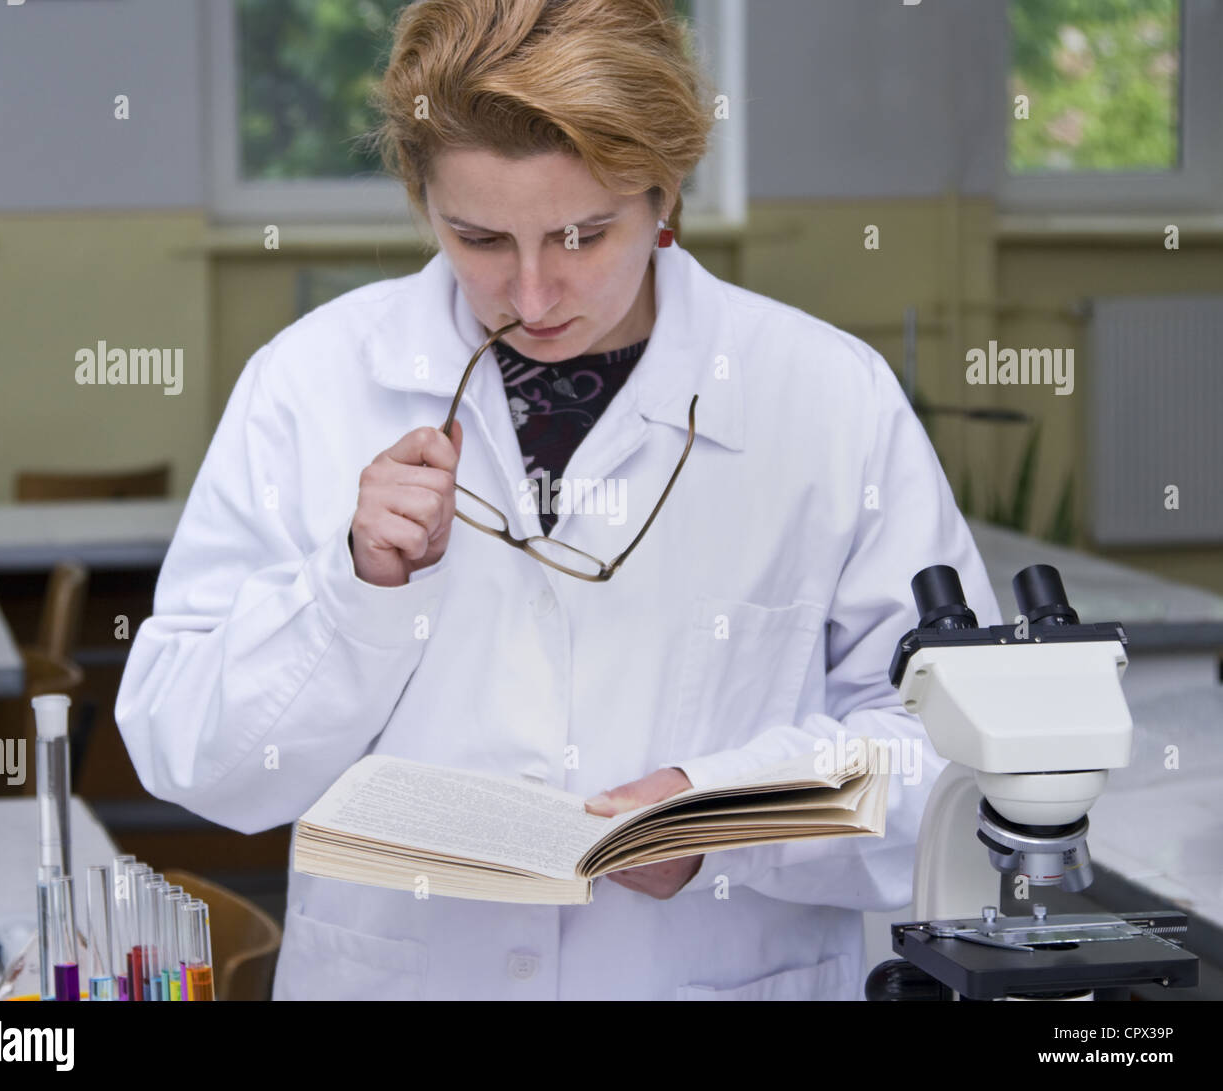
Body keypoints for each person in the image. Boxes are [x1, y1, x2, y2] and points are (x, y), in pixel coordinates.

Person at [115, 0, 1001, 1000]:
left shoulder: (827, 396)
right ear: (420, 202)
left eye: (583, 234)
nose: (532, 296)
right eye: (479, 236)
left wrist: (714, 815)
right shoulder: (310, 383)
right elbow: (187, 752)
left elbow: (964, 756)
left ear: (664, 194)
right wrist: (351, 588)